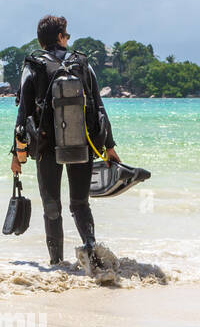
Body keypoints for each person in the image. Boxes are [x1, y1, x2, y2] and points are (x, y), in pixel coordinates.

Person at [11, 15, 119, 267]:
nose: (68, 39)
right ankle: (91, 251)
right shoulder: (82, 64)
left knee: (52, 206)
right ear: (60, 37)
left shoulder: (33, 66)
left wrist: (16, 155)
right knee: (80, 204)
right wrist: (110, 146)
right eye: (67, 35)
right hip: (83, 144)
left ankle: (57, 264)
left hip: (46, 146)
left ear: (41, 40)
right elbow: (99, 108)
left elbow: (23, 113)